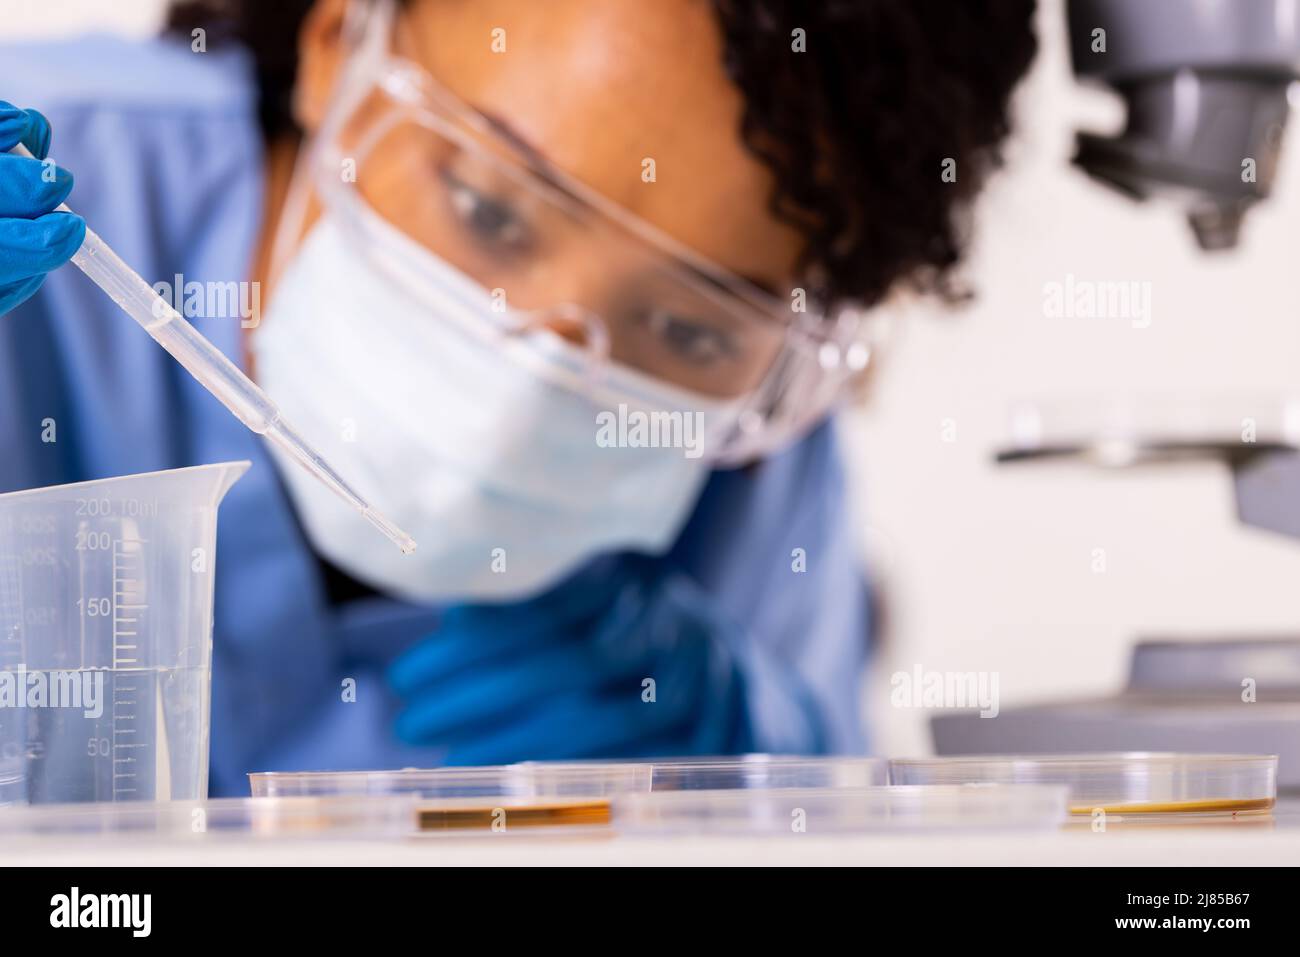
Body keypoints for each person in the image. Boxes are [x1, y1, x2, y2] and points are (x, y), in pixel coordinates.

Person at [0, 0, 1037, 794]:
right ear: (337, 49)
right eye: (488, 208)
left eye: (683, 326)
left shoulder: (748, 430)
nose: (530, 379)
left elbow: (829, 804)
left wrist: (753, 776)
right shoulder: (53, 194)